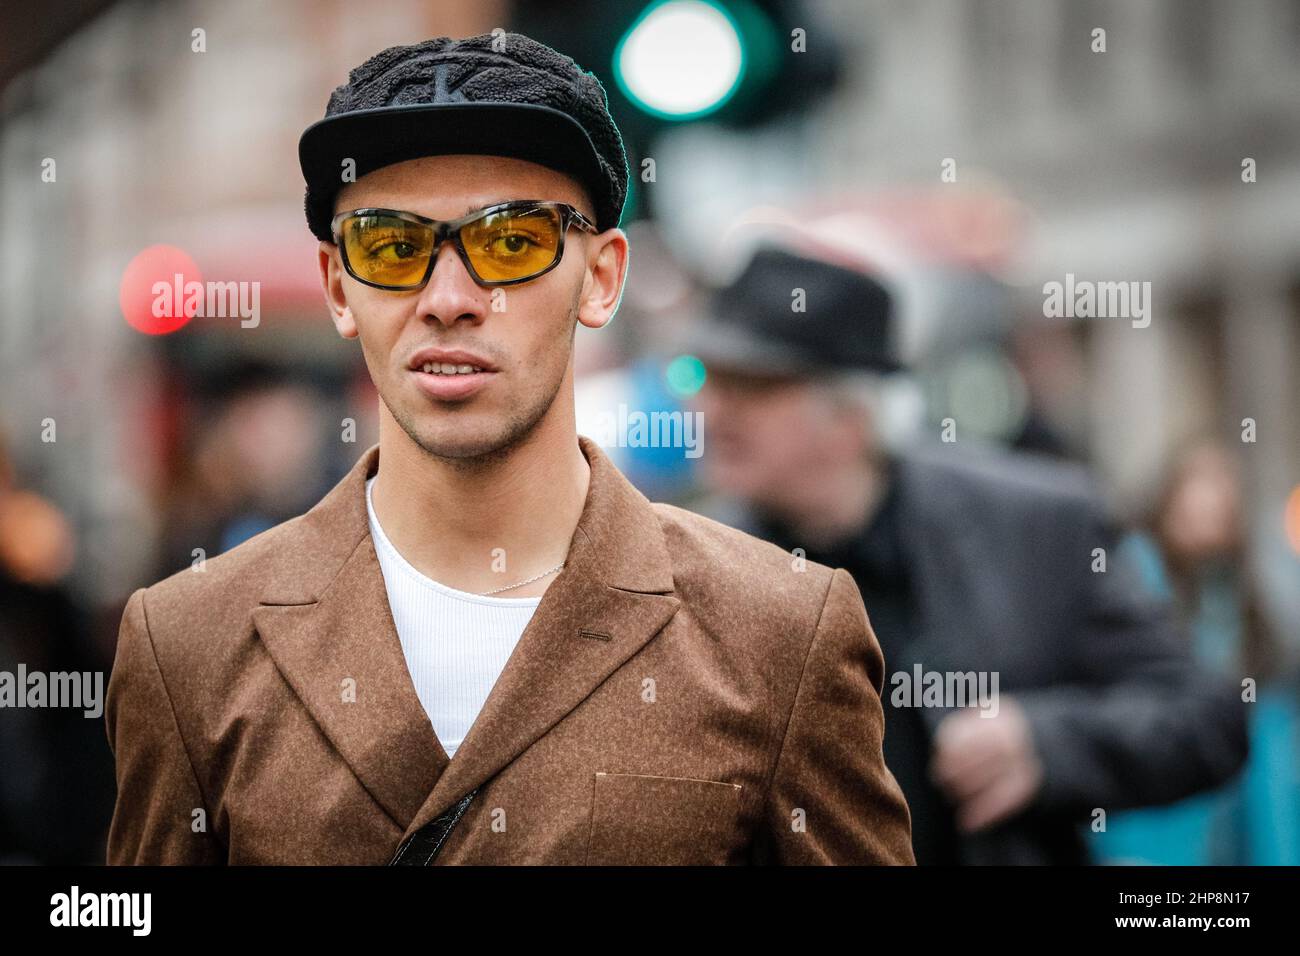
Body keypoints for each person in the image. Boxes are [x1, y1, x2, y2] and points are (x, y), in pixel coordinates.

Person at [103, 34, 914, 866]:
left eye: (512, 242)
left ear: (601, 278)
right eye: (391, 246)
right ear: (340, 288)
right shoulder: (187, 642)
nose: (449, 299)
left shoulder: (778, 633)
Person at [684, 243, 1250, 865]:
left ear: (849, 418)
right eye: (708, 378)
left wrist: (1044, 743)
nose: (710, 411)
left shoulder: (1032, 524)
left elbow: (1209, 719)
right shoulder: (696, 562)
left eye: (752, 387)